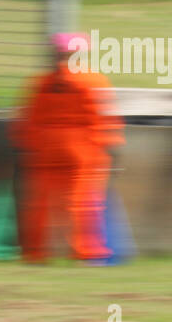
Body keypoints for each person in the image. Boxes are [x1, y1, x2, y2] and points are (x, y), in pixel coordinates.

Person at [11, 33, 123, 263]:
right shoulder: (94, 81)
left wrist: (30, 144)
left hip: (45, 146)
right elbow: (103, 118)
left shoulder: (41, 82)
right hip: (82, 148)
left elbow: (27, 118)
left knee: (38, 202)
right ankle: (86, 251)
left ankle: (34, 252)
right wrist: (108, 144)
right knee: (83, 201)